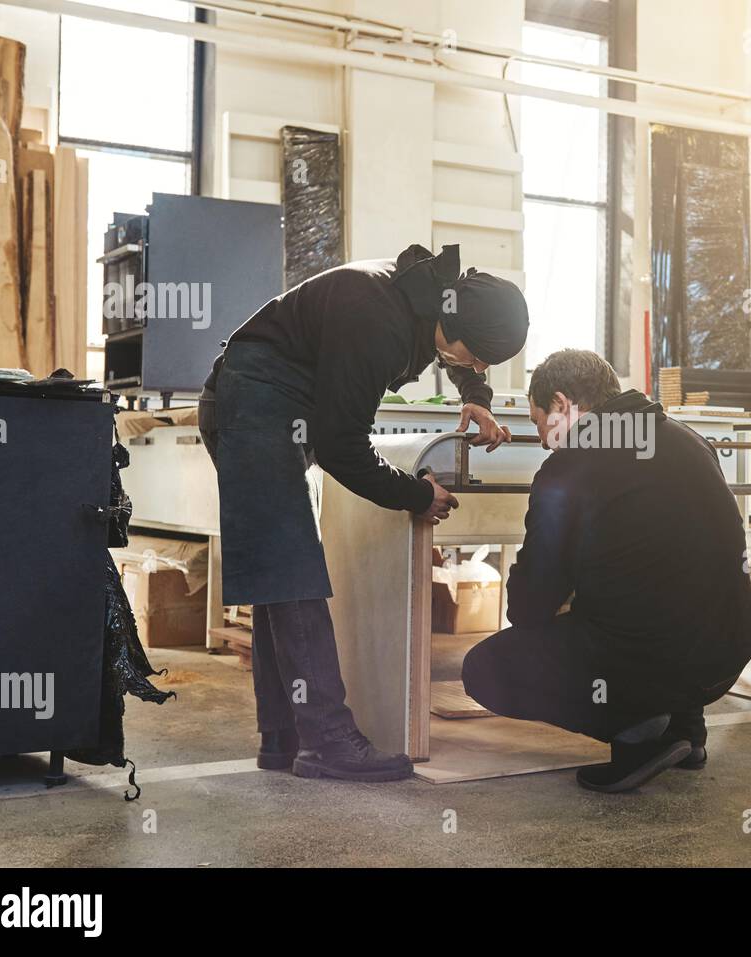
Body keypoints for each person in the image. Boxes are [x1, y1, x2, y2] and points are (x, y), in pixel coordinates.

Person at [198, 243, 528, 783]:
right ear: (455, 322)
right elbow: (342, 447)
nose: (477, 366)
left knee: (279, 576)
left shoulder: (426, 295)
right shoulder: (378, 320)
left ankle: (283, 736)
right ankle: (327, 741)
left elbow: (457, 350)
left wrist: (479, 394)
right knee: (292, 570)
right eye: (478, 356)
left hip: (272, 401)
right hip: (253, 404)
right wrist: (417, 495)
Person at [461, 349, 751, 793]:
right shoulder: (686, 437)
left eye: (540, 422)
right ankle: (686, 733)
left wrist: (571, 597)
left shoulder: (568, 468)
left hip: (648, 660)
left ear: (563, 406)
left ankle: (638, 733)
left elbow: (528, 608)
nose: (544, 439)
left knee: (483, 668)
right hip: (728, 654)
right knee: (661, 601)